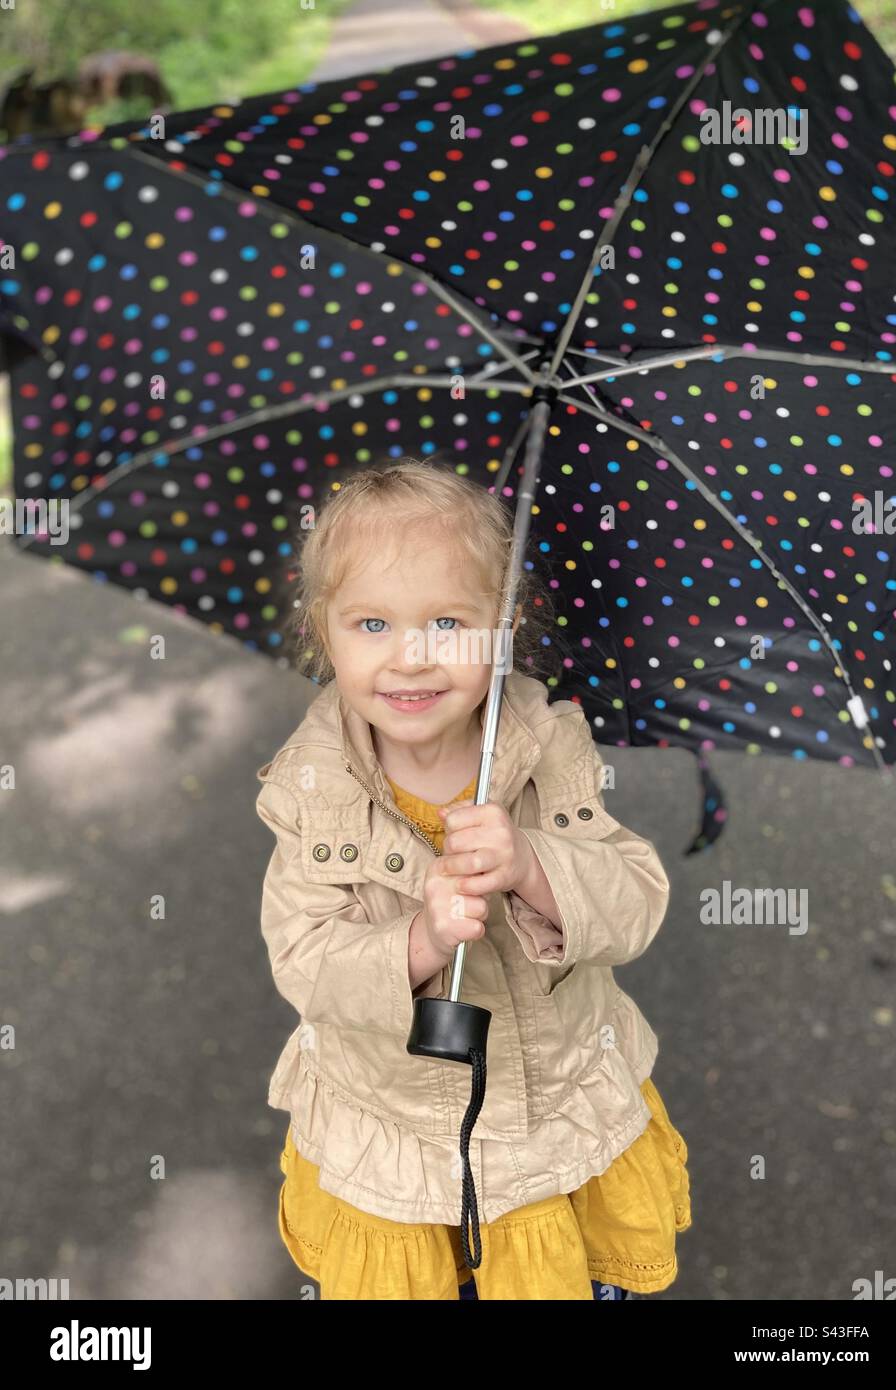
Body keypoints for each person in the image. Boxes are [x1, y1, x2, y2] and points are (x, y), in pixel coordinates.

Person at [255, 458, 691, 1300]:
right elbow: (303, 962)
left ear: (504, 623)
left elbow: (633, 902)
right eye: (373, 623)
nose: (411, 659)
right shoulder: (310, 791)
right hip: (396, 1138)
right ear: (324, 629)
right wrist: (413, 944)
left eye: (448, 624)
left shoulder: (547, 746)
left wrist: (536, 867)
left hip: (553, 1128)